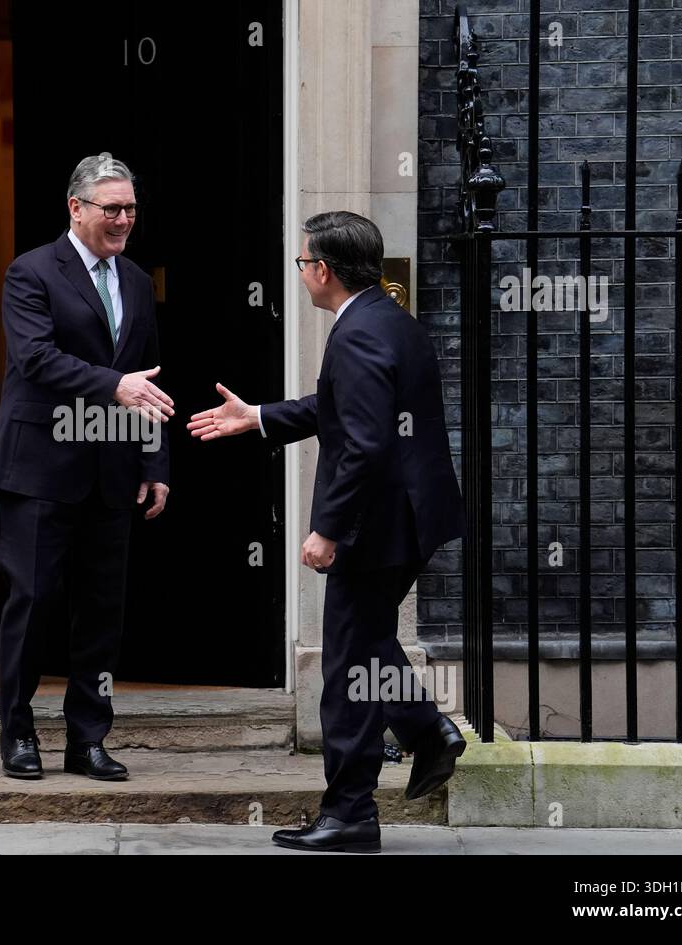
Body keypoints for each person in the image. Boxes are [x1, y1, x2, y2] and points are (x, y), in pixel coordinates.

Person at [187, 210, 467, 852]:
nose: (302, 273)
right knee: (367, 645)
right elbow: (343, 409)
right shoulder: (387, 320)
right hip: (409, 517)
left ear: (324, 270)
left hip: (378, 528)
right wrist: (257, 416)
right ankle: (427, 733)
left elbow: (365, 444)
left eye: (303, 261)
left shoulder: (359, 335)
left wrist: (328, 530)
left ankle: (350, 812)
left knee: (346, 665)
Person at [0, 154, 171, 781]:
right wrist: (115, 385)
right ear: (76, 208)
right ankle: (17, 734)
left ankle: (87, 739)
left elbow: (147, 379)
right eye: (111, 209)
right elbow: (36, 358)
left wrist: (155, 460)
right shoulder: (31, 272)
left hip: (113, 472)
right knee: (33, 603)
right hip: (40, 468)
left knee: (100, 615)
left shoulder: (140, 281)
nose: (123, 220)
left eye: (131, 209)